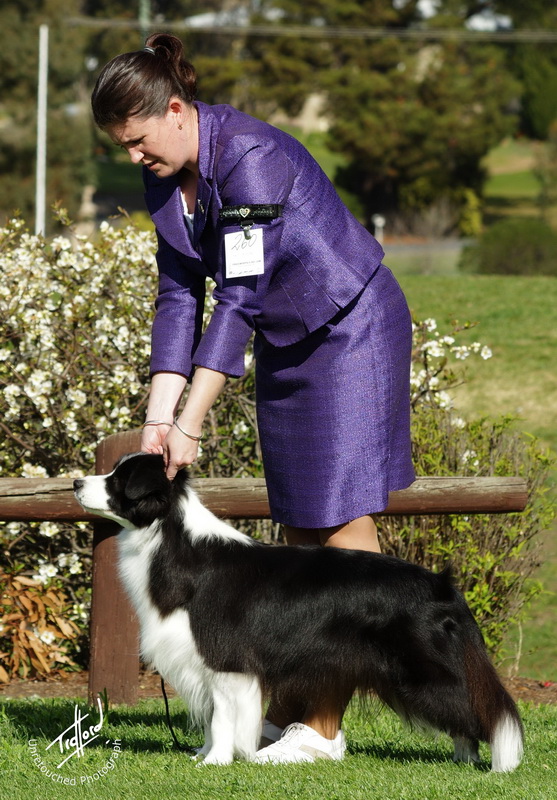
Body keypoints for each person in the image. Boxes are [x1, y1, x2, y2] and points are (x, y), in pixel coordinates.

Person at [91, 32, 415, 764]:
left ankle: (322, 733)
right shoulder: (164, 173)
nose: (134, 157)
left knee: (340, 523)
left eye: (138, 140)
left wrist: (191, 424)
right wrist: (156, 418)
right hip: (288, 339)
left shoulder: (250, 157)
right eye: (124, 148)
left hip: (347, 329)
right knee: (299, 522)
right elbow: (178, 294)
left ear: (175, 109)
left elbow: (235, 298)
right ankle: (298, 712)